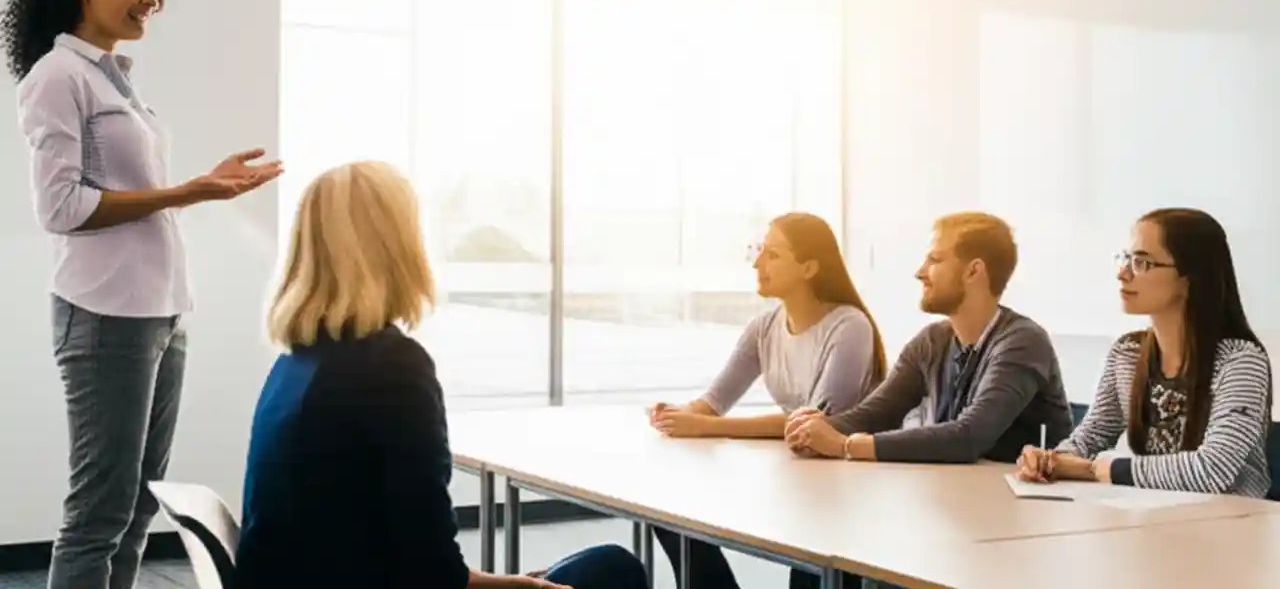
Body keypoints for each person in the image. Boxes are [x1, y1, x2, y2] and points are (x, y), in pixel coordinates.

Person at [3, 0, 281, 589]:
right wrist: (187, 189)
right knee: (98, 513)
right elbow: (63, 209)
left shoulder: (115, 80)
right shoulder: (56, 78)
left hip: (160, 313)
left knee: (132, 514)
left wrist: (198, 188)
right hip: (103, 315)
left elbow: (133, 198)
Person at [236, 161, 647, 589]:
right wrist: (522, 587)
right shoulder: (392, 368)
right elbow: (433, 573)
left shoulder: (292, 366)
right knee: (612, 570)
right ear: (398, 246)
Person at [648, 212, 886, 589]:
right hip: (799, 478)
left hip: (845, 491)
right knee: (671, 515)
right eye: (759, 250)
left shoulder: (849, 325)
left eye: (772, 254)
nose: (758, 262)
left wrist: (706, 427)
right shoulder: (764, 327)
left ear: (809, 267)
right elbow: (713, 402)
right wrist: (677, 415)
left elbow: (818, 425)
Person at [1017, 208, 1272, 496]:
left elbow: (1212, 471)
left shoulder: (1241, 362)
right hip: (1150, 519)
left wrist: (1094, 469)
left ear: (1189, 279)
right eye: (1126, 259)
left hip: (1232, 527)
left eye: (1142, 262)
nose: (1122, 273)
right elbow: (1091, 437)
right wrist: (1051, 461)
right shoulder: (1127, 353)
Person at [786, 211, 1072, 465]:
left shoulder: (1023, 342)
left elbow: (969, 437)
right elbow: (875, 414)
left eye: (934, 259)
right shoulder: (933, 340)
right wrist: (815, 429)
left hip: (1023, 513)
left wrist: (846, 445)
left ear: (974, 271)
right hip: (959, 500)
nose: (920, 272)